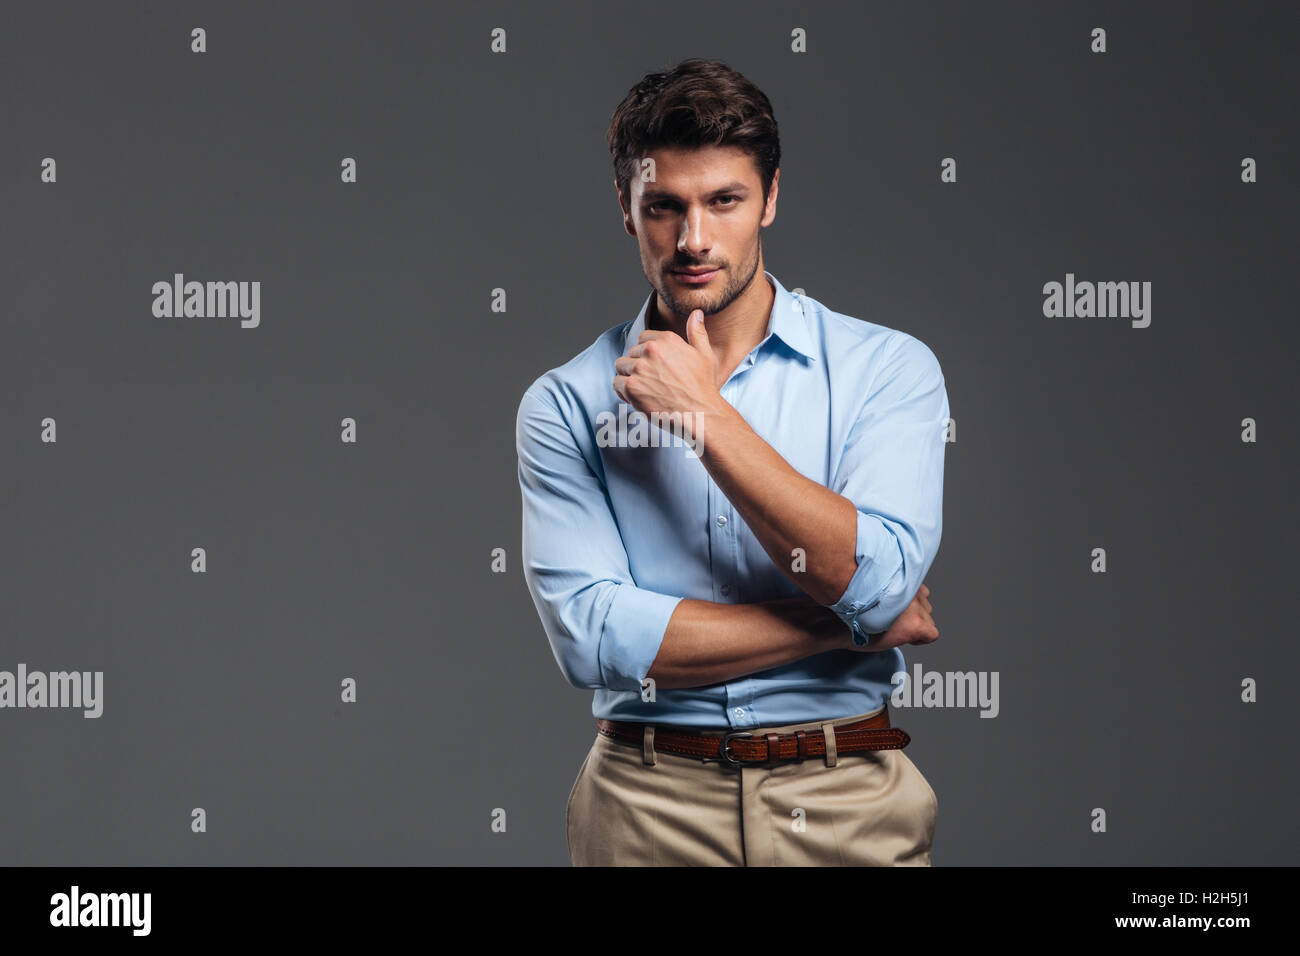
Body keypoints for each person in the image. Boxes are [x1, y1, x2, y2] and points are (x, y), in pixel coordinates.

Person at [515, 58, 949, 866]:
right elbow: (596, 640)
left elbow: (881, 581)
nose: (694, 240)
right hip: (645, 806)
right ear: (626, 208)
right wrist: (844, 624)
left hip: (844, 792)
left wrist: (703, 416)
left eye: (725, 201)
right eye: (664, 208)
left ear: (771, 199)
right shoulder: (565, 402)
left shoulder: (887, 369)